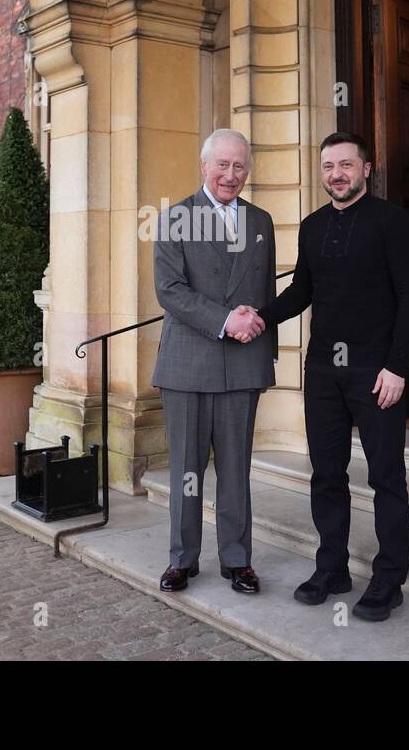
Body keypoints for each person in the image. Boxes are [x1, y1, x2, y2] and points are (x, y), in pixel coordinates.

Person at [245, 132, 409, 621]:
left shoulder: (393, 222)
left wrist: (397, 367)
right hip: (324, 369)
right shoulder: (312, 226)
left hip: (376, 370)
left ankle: (389, 579)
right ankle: (333, 568)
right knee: (326, 474)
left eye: (346, 164)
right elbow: (302, 290)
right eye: (328, 166)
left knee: (387, 477)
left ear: (366, 169)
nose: (336, 174)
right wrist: (259, 316)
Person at [151, 129, 278, 594]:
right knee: (186, 469)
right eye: (222, 165)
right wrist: (227, 320)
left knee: (236, 469)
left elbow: (265, 295)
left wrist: (263, 346)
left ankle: (237, 560)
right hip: (187, 364)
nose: (231, 175)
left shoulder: (261, 221)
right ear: (204, 166)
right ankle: (182, 560)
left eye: (239, 166)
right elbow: (170, 291)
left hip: (244, 366)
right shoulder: (174, 219)